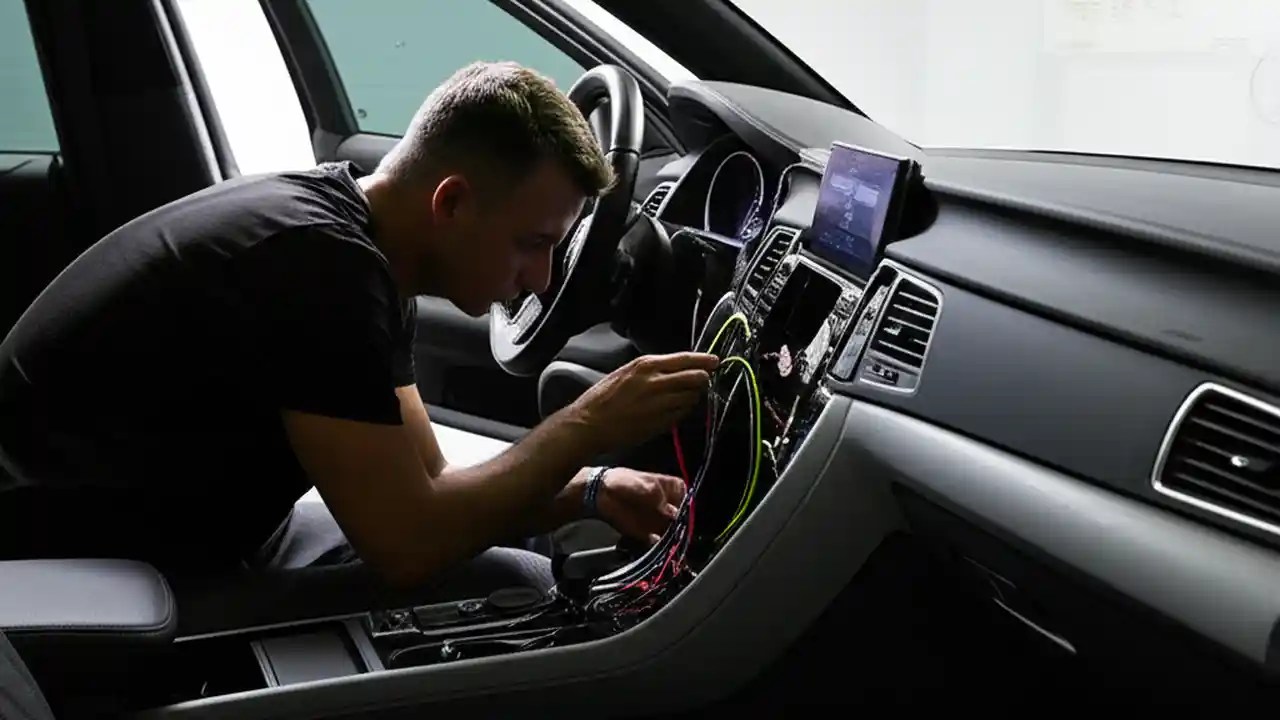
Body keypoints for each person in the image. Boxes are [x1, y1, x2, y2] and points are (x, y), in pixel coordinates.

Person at [0, 60, 718, 603]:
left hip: (195, 532)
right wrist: (588, 426)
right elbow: (409, 546)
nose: (541, 278)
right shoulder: (319, 268)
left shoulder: (360, 242)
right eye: (532, 243)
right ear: (452, 203)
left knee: (524, 547)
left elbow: (433, 483)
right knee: (521, 588)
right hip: (90, 574)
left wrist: (594, 488)